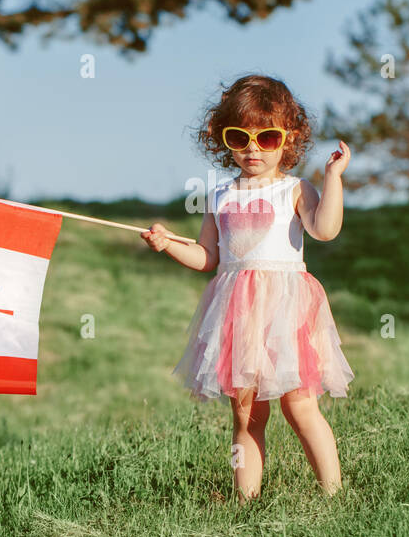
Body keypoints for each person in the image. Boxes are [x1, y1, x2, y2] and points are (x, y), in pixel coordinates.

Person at [141, 74, 354, 500]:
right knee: (246, 414)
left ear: (288, 138)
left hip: (287, 308)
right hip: (238, 312)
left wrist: (333, 177)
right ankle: (246, 502)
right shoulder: (219, 195)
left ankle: (334, 495)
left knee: (299, 406)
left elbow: (325, 230)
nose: (253, 148)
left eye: (268, 137)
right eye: (240, 137)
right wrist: (168, 245)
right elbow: (209, 257)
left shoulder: (294, 189)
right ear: (224, 139)